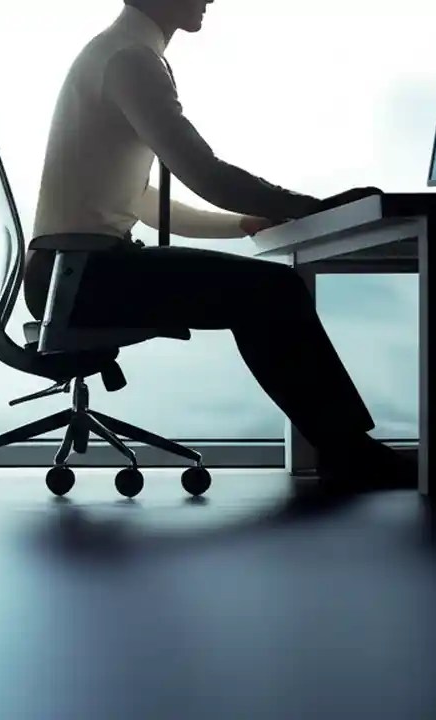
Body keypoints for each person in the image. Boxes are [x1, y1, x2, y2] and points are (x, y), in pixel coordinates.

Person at [25, 0, 415, 490]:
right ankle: (352, 454)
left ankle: (346, 450)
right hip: (83, 275)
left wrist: (243, 223)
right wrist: (308, 207)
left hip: (68, 273)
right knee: (272, 290)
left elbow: (143, 202)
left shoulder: (114, 52)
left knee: (267, 290)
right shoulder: (131, 59)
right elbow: (203, 172)